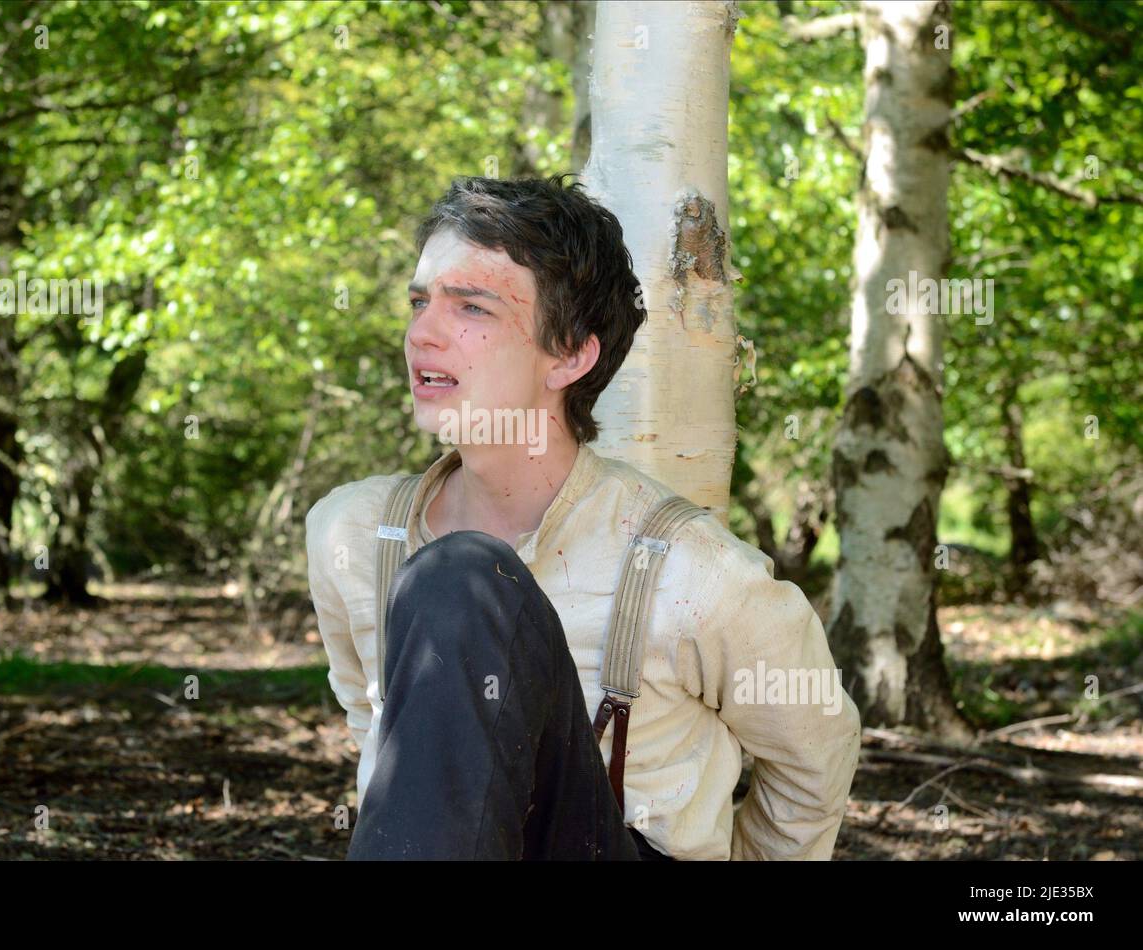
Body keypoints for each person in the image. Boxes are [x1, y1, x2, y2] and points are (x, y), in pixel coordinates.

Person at [305, 173, 862, 860]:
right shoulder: (352, 534)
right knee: (452, 581)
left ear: (571, 354)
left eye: (471, 308)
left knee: (459, 578)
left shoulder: (694, 572)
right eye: (420, 302)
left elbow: (817, 754)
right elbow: (376, 730)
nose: (422, 333)